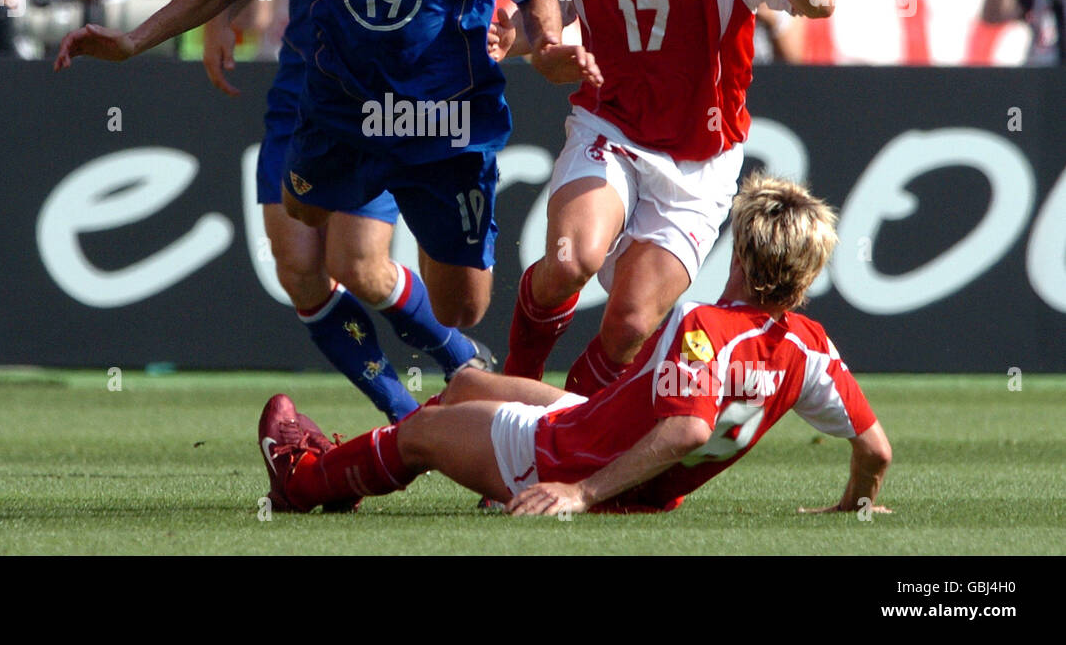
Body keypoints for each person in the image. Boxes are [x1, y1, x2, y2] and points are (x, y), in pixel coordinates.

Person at [55, 0, 601, 382]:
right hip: (345, 119)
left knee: (463, 306)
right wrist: (133, 40)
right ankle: (423, 389)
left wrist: (551, 42)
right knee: (302, 215)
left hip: (445, 125)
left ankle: (459, 356)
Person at [256, 173, 892, 518]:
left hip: (564, 459)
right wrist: (853, 507)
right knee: (470, 385)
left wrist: (582, 493)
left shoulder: (706, 327)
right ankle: (383, 463)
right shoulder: (809, 345)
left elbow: (687, 434)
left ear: (744, 253)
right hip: (594, 432)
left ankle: (304, 480)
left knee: (419, 434)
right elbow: (874, 448)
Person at [494, 0, 833, 397]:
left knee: (627, 324)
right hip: (611, 129)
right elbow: (548, 21)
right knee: (571, 262)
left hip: (700, 158)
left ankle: (554, 436)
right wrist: (513, 38)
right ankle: (514, 385)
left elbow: (818, 0)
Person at [202, 0, 495, 422]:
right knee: (298, 268)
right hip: (301, 82)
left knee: (360, 265)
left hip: (384, 96)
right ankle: (406, 415)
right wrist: (223, 16)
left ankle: (463, 364)